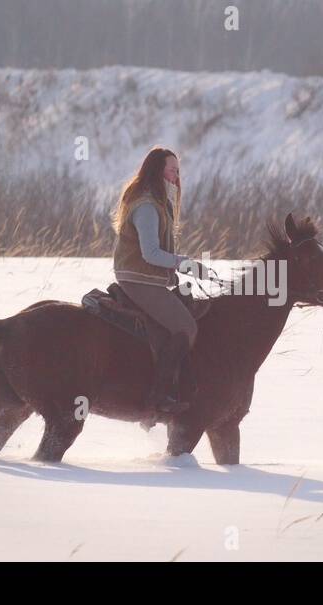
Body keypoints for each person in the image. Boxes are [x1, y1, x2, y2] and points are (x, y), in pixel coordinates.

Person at [111, 146, 208, 413]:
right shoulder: (146, 207)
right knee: (186, 327)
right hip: (138, 280)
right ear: (157, 171)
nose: (177, 176)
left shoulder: (159, 204)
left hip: (149, 279)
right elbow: (150, 253)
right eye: (172, 169)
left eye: (178, 170)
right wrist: (183, 263)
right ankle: (159, 396)